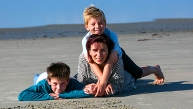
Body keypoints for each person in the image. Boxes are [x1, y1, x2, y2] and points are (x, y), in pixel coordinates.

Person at [80, 5, 164, 97]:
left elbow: (110, 61)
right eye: (93, 24)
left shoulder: (112, 36)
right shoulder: (85, 40)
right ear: (87, 26)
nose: (97, 27)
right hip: (99, 57)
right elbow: (91, 62)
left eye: (100, 23)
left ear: (105, 23)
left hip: (117, 57)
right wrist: (106, 81)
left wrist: (103, 82)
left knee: (137, 73)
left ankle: (155, 69)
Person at [18, 62, 95, 101]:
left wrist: (62, 95)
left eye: (63, 84)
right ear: (49, 81)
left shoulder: (72, 82)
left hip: (64, 78)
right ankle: (37, 76)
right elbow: (22, 95)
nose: (58, 88)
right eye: (55, 84)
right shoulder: (43, 85)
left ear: (68, 81)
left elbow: (90, 93)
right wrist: (49, 97)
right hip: (42, 77)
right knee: (36, 78)